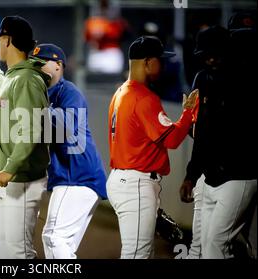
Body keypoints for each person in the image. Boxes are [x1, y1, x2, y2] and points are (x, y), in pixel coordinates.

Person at [106, 36, 198, 259]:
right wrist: (189, 113)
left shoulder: (121, 92)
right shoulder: (143, 97)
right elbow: (173, 139)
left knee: (140, 252)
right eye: (159, 60)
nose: (163, 65)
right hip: (135, 184)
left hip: (125, 181)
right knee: (137, 254)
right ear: (147, 62)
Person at [180, 22, 257, 259]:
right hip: (211, 175)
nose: (210, 60)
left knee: (216, 243)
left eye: (215, 54)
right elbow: (200, 131)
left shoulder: (247, 79)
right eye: (206, 56)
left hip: (240, 174)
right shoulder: (203, 79)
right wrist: (192, 175)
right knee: (205, 243)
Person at [30, 43, 108, 259]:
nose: (36, 68)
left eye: (41, 63)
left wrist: (33, 107)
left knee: (54, 238)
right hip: (71, 178)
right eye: (33, 64)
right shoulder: (42, 94)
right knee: (63, 245)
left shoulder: (69, 92)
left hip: (77, 178)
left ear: (58, 65)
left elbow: (65, 129)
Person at [0, 15, 50, 259]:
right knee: (4, 253)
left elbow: (30, 130)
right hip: (6, 178)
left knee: (18, 253)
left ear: (9, 40)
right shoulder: (15, 76)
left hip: (19, 179)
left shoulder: (27, 80)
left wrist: (10, 168)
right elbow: (4, 91)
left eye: (1, 40)